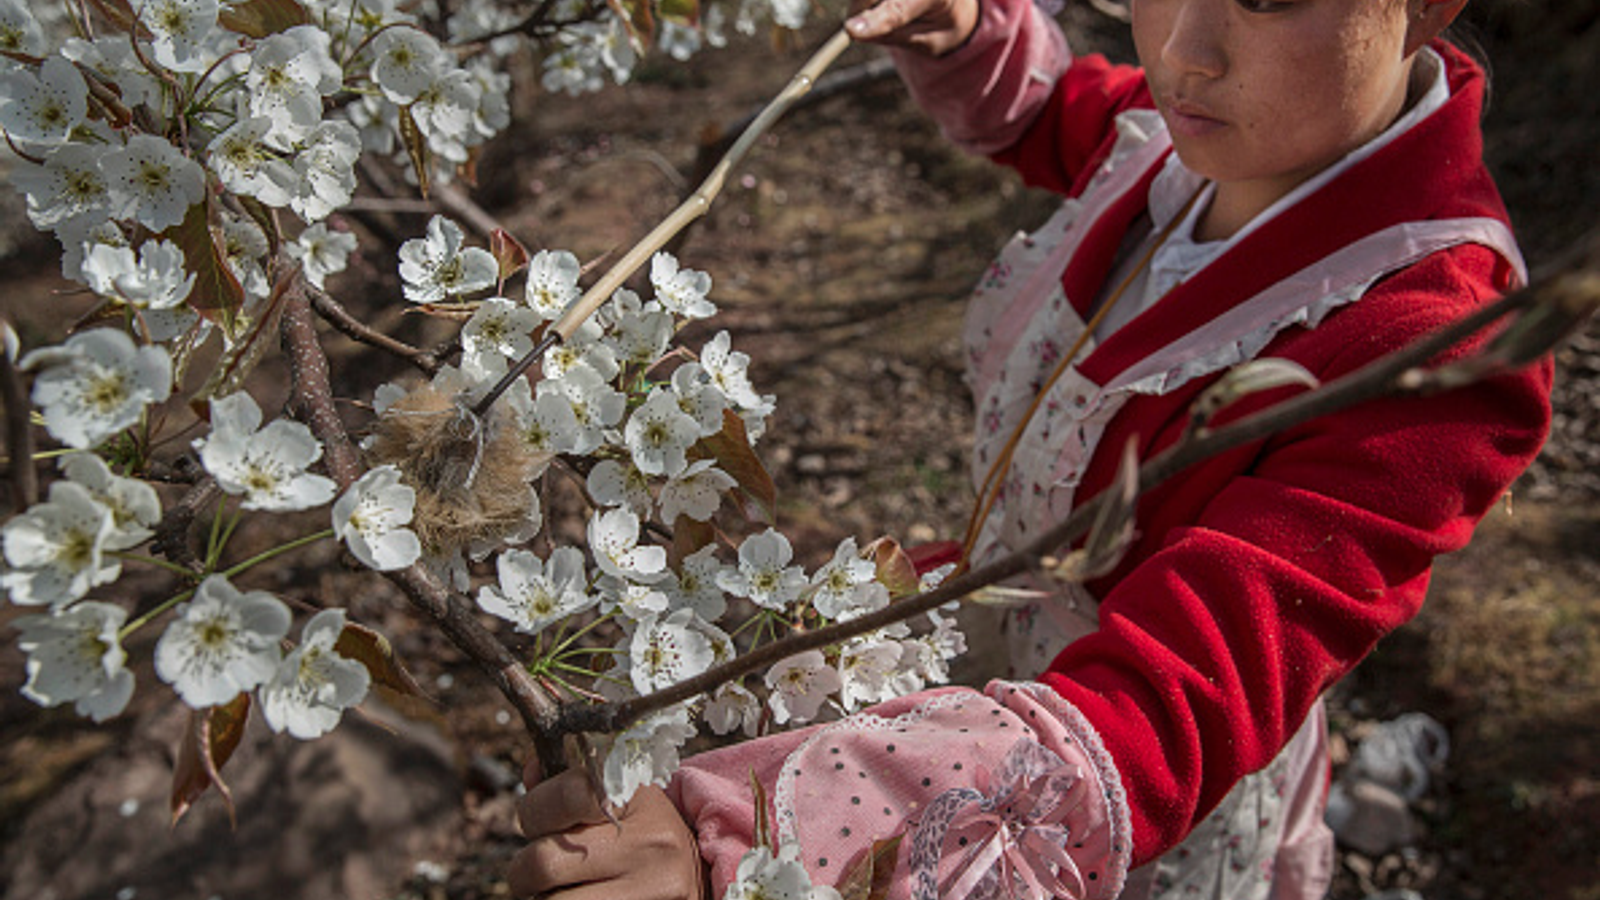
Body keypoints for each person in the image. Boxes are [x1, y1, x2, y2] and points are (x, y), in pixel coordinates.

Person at [507, 0, 1554, 897]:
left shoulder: (1439, 345)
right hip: (962, 650)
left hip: (1080, 794)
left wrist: (754, 843)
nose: (1183, 51)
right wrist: (965, 31)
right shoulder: (1198, 138)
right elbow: (1067, 119)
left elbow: (1170, 700)